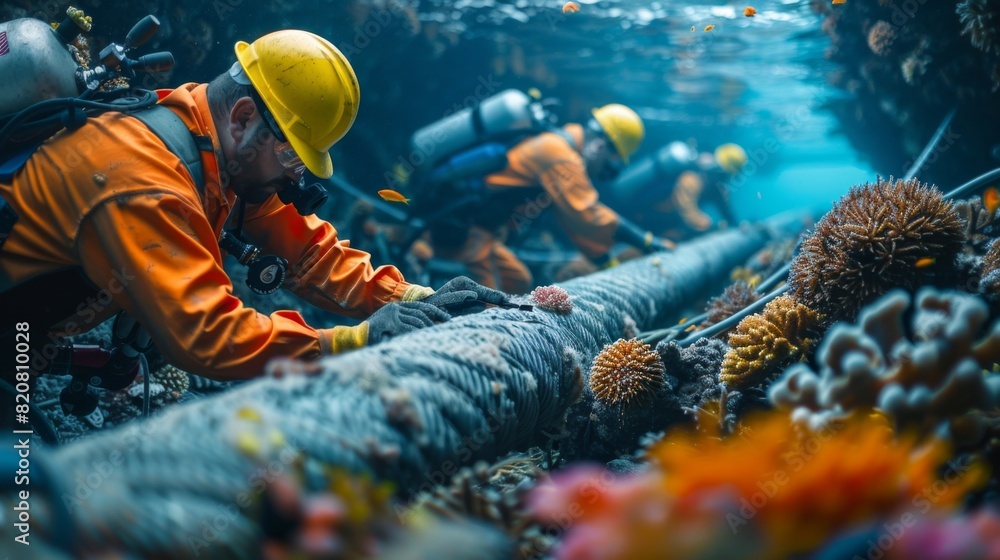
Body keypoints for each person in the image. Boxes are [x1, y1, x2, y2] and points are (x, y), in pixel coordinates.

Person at [0, 29, 506, 382]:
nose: (294, 175)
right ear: (243, 117)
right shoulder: (144, 181)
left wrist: (413, 298)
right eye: (290, 153)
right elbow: (209, 335)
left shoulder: (209, 145)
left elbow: (309, 255)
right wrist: (351, 342)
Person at [423, 103, 674, 294]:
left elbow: (571, 219)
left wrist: (606, 262)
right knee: (488, 301)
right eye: (612, 159)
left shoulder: (560, 148)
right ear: (600, 145)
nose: (605, 170)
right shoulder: (560, 155)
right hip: (465, 228)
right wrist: (645, 240)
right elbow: (586, 213)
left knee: (518, 281)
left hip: (484, 232)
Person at [606, 142, 747, 243]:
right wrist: (712, 227)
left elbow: (723, 206)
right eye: (727, 175)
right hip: (647, 219)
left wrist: (735, 224)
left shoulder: (712, 184)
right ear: (721, 172)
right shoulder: (691, 179)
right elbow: (688, 213)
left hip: (661, 220)